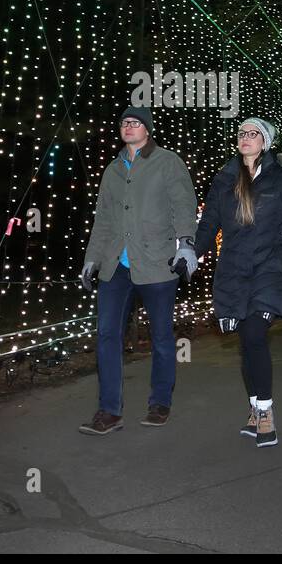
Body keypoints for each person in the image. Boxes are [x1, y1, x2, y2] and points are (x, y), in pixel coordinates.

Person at [194, 117, 282, 447]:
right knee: (246, 344)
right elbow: (208, 223)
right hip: (233, 271)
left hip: (268, 269)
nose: (245, 138)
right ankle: (253, 407)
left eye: (253, 134)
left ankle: (265, 411)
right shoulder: (224, 179)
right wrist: (192, 253)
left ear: (265, 142)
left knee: (254, 335)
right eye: (242, 133)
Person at [78, 107, 199, 435]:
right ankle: (109, 411)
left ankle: (160, 403)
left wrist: (186, 245)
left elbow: (184, 206)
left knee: (161, 336)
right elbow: (102, 218)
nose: (128, 126)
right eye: (124, 123)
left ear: (147, 129)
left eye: (135, 122)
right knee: (106, 336)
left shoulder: (167, 161)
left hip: (158, 262)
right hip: (116, 265)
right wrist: (92, 259)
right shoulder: (112, 170)